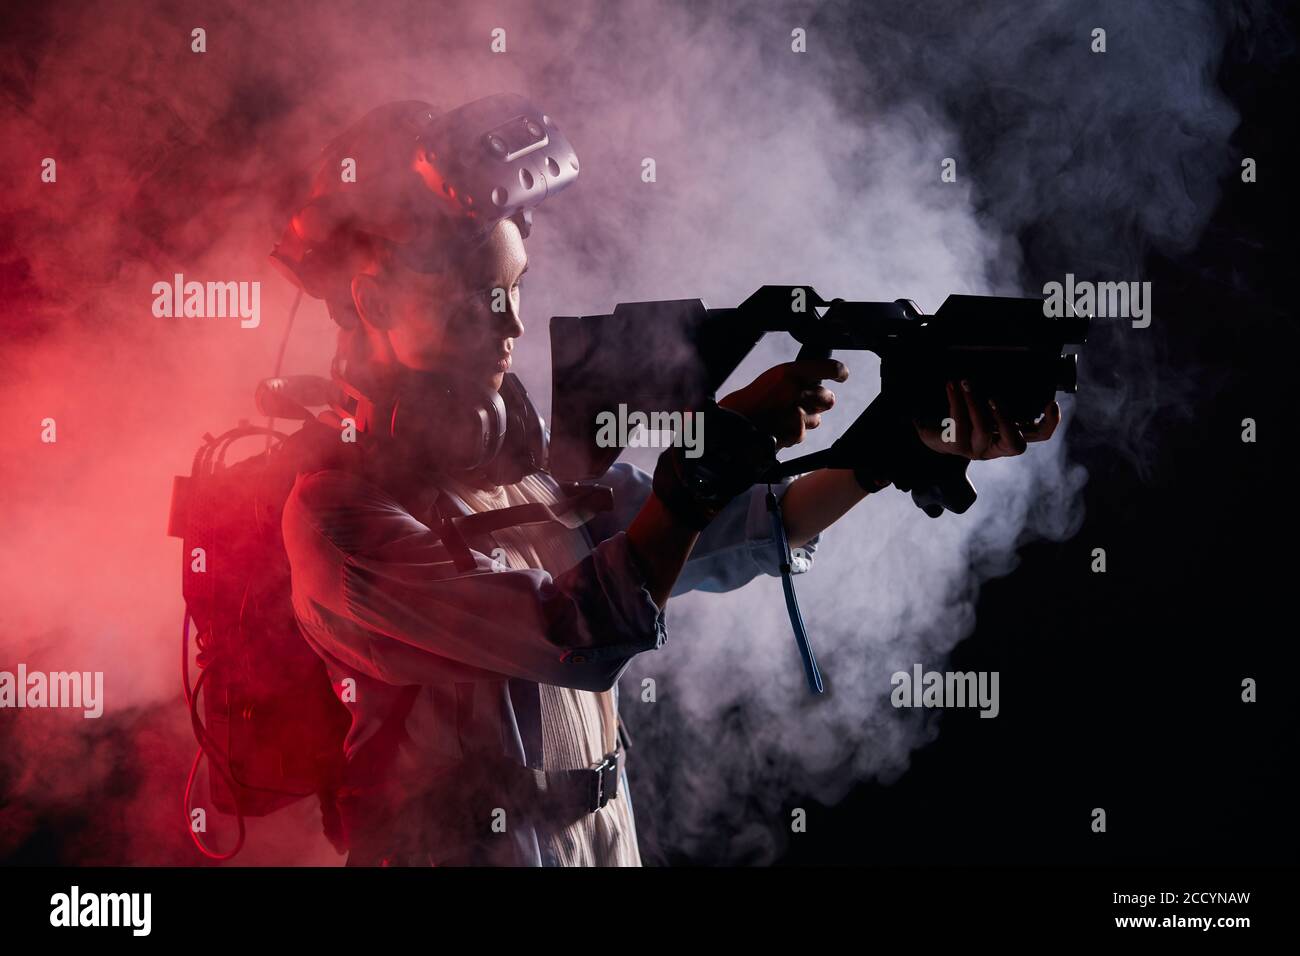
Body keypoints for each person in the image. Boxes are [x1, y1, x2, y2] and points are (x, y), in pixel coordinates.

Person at [274, 97, 1061, 866]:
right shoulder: (336, 517)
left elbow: (724, 529)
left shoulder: (521, 461)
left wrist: (891, 448)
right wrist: (711, 458)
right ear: (374, 300)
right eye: (476, 302)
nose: (511, 324)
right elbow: (570, 634)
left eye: (514, 288)